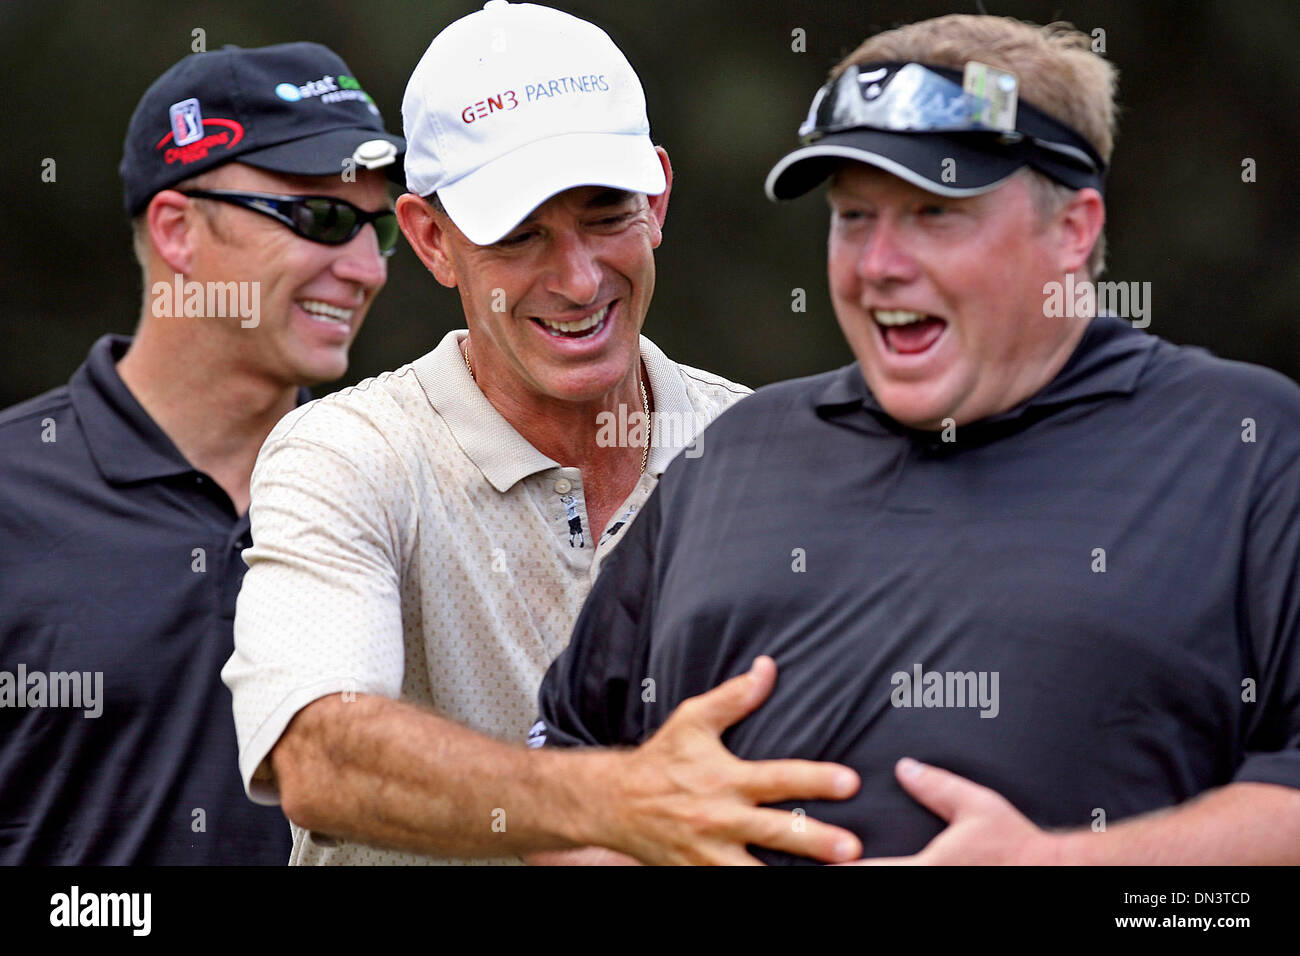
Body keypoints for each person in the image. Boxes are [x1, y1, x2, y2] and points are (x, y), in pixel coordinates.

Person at [534, 14, 1300, 864]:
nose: (879, 264)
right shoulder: (732, 454)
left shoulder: (1251, 446)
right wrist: (633, 826)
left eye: (935, 212)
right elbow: (565, 779)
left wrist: (1053, 864)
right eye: (854, 216)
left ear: (1073, 229)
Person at [222, 1, 864, 866]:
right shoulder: (344, 454)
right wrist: (622, 804)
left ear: (658, 198)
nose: (577, 277)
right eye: (519, 235)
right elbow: (317, 752)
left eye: (606, 215)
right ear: (431, 241)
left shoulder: (768, 449)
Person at [0, 42, 404, 863]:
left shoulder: (400, 483)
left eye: (381, 227)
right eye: (322, 218)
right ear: (179, 231)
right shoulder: (13, 495)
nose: (365, 269)